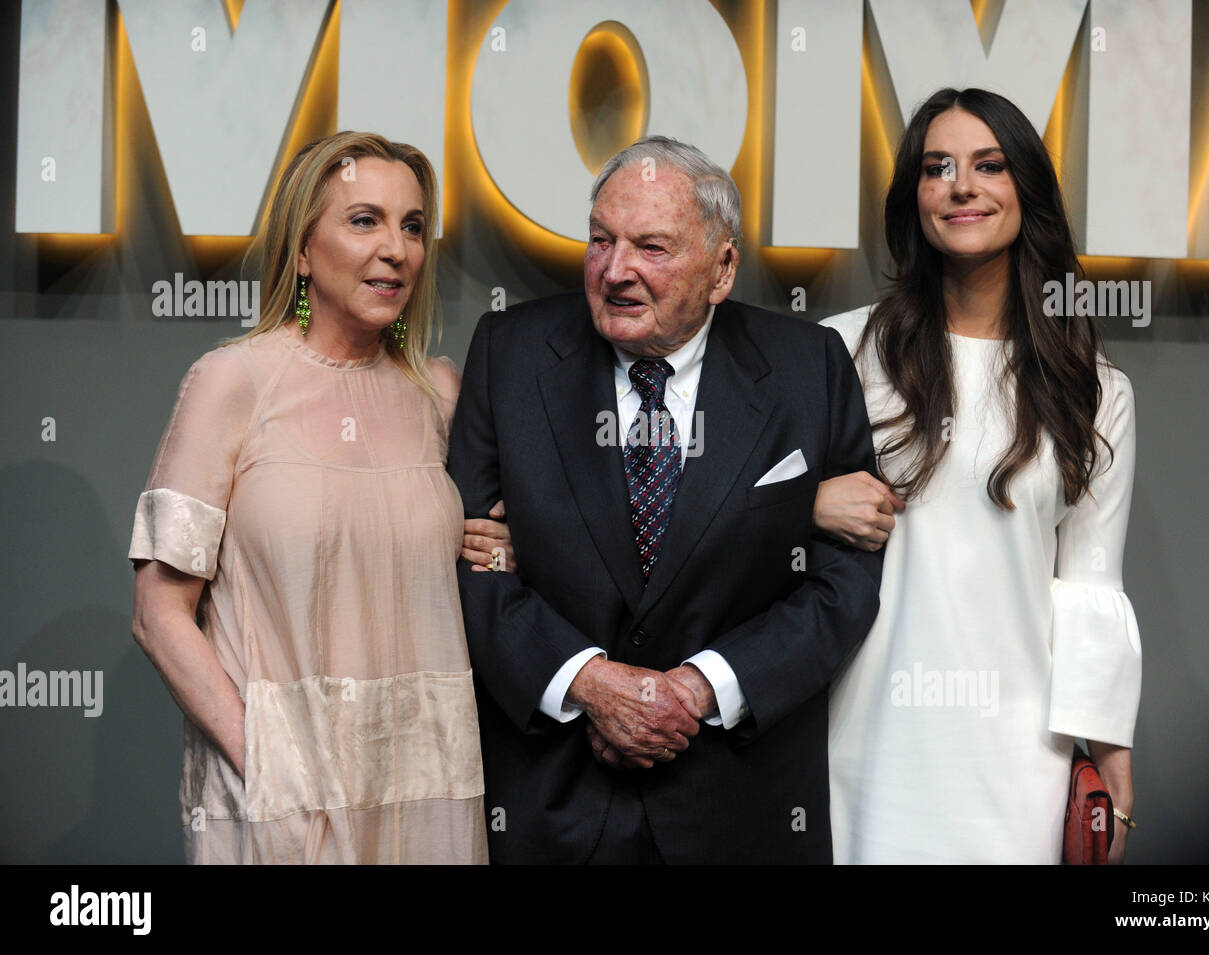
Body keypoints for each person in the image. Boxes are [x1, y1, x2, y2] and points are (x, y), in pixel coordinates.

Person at [447, 136, 884, 864]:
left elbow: (844, 584)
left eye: (652, 247)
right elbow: (472, 565)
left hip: (740, 808)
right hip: (555, 806)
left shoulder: (808, 366)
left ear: (722, 268)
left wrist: (702, 688)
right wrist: (589, 682)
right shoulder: (509, 354)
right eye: (600, 241)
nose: (616, 271)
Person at [129, 131, 508, 864]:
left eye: (413, 225)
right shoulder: (232, 382)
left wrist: (496, 550)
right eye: (364, 220)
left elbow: (472, 570)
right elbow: (158, 614)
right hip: (282, 803)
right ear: (302, 250)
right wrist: (268, 766)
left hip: (427, 795)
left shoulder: (440, 395)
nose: (396, 248)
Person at [816, 88, 1141, 863]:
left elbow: (1090, 589)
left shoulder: (1095, 389)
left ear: (1024, 189)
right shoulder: (841, 350)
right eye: (938, 168)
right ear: (915, 197)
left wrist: (1112, 752)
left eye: (988, 165)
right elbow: (732, 508)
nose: (962, 186)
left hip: (1020, 756)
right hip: (863, 737)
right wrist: (808, 502)